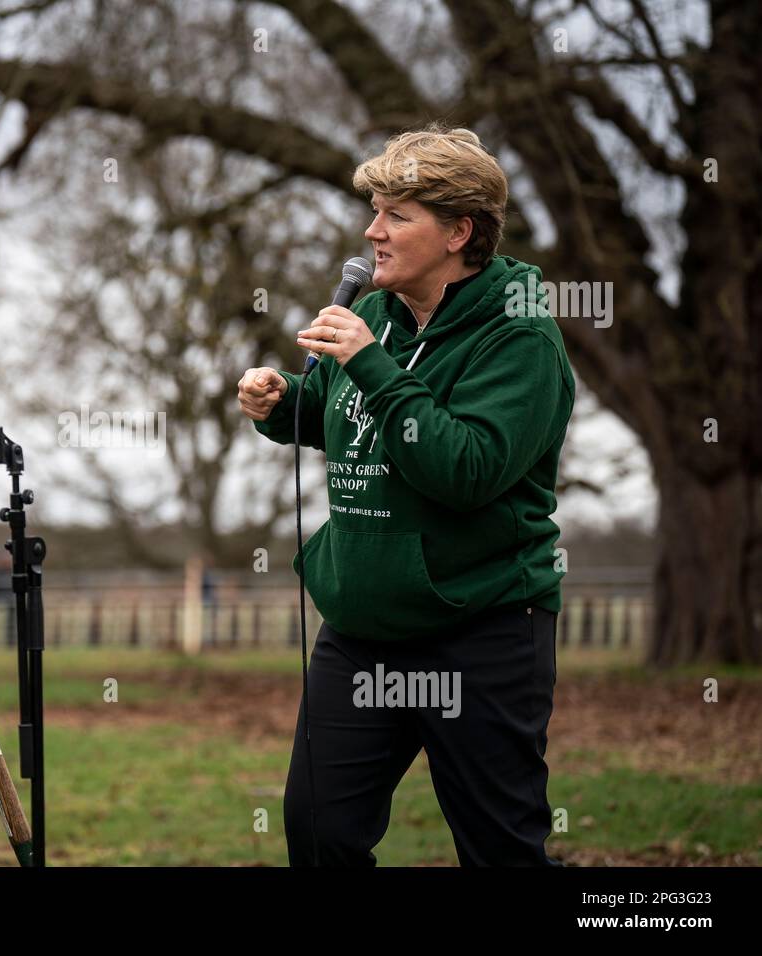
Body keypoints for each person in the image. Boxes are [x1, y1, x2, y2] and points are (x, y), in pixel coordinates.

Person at [237, 125, 574, 866]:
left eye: (397, 215)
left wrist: (369, 365)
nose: (372, 231)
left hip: (478, 628)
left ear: (460, 231)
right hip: (362, 630)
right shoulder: (379, 316)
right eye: (375, 210)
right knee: (320, 833)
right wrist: (284, 402)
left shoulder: (519, 335)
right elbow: (349, 418)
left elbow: (465, 468)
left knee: (500, 848)